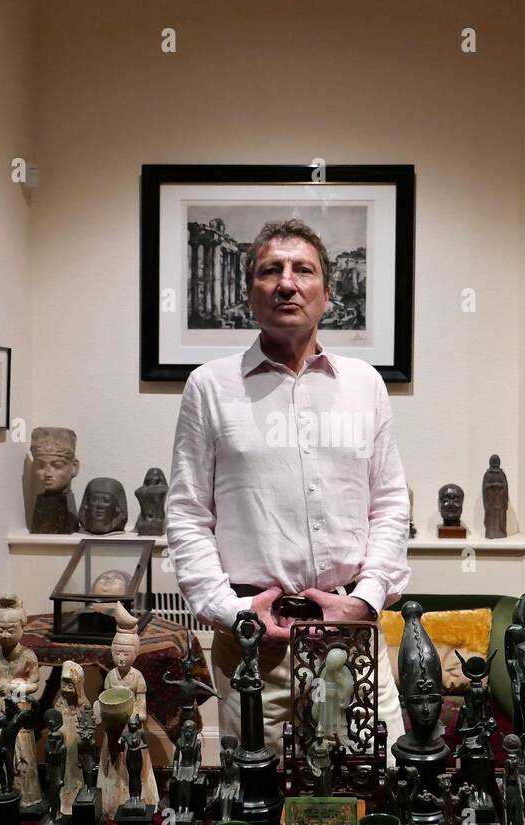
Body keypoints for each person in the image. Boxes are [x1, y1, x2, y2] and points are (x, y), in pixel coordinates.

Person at [167, 218, 410, 758]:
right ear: (250, 291)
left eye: (303, 270)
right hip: (254, 646)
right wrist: (230, 610)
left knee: (379, 789)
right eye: (270, 270)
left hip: (352, 634)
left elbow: (391, 504)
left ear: (326, 294)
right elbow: (186, 513)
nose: (287, 282)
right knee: (260, 808)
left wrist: (366, 601)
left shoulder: (365, 385)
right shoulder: (209, 387)